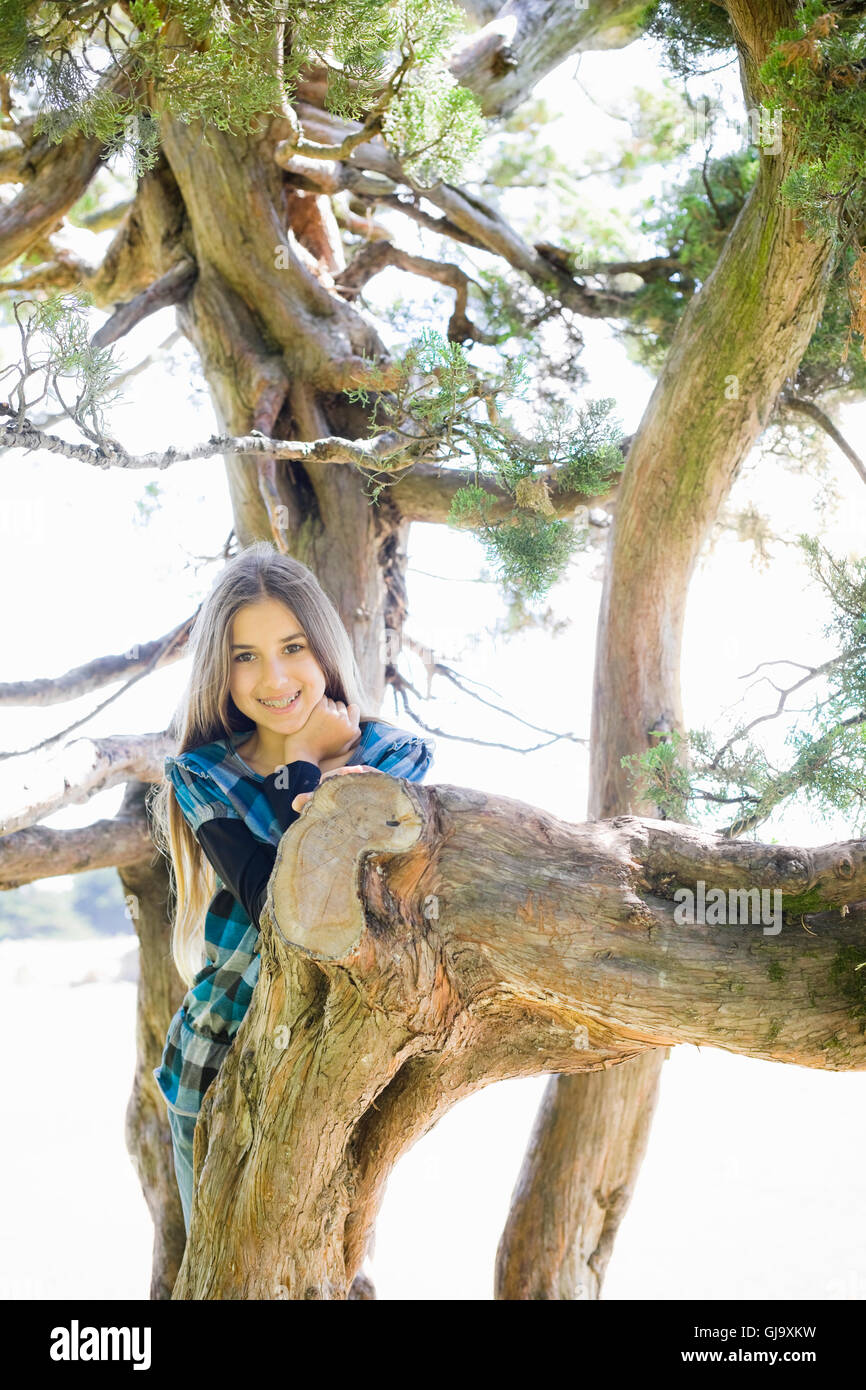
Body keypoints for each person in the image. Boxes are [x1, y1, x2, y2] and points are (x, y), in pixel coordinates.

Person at [148, 541, 434, 1233]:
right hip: (214, 1064)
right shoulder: (202, 776)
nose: (273, 677)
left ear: (324, 650)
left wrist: (327, 761)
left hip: (341, 1061)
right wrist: (307, 757)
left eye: (292, 646)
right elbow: (278, 901)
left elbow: (358, 902)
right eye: (245, 656)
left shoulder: (394, 756)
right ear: (222, 668)